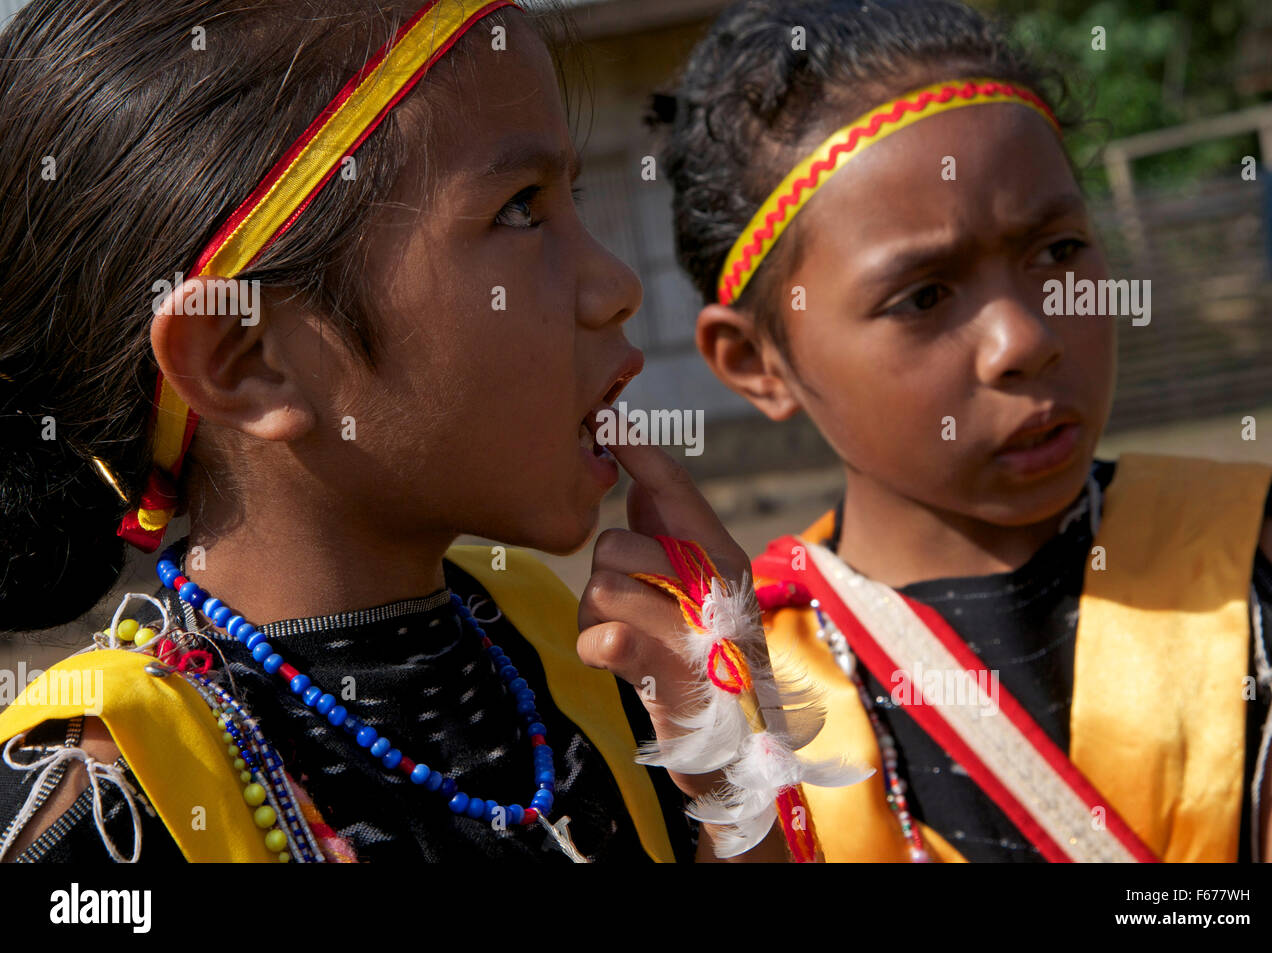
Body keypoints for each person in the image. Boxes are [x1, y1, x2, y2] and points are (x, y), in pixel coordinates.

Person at [0, 0, 788, 864]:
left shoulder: (586, 661)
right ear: (245, 359)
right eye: (520, 209)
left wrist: (736, 784)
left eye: (576, 196)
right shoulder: (110, 812)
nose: (615, 284)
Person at [657, 0, 1272, 861]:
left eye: (1058, 252)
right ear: (753, 360)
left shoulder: (1252, 555)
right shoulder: (743, 703)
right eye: (923, 296)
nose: (1025, 339)